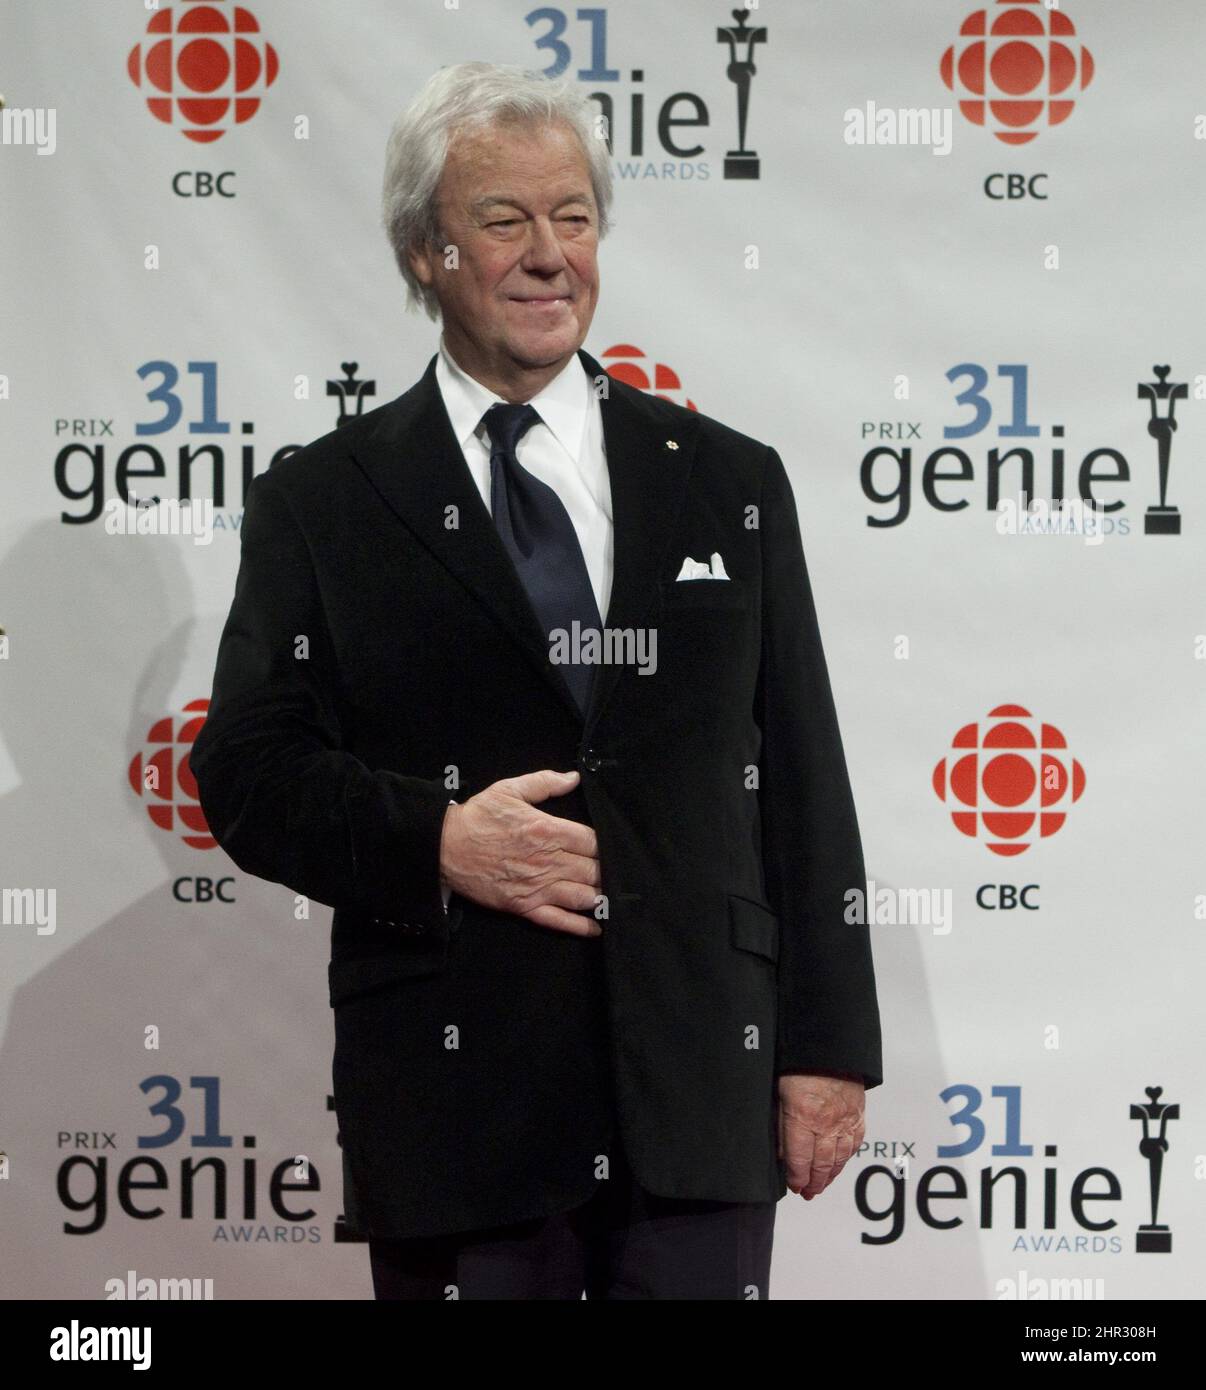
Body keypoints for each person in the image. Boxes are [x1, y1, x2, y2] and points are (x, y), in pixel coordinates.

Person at [190, 60, 882, 1301]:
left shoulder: (726, 479)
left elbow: (806, 784)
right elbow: (247, 772)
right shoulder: (325, 501)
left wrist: (829, 1051)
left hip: (693, 1095)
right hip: (460, 1106)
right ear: (424, 252)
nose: (550, 252)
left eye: (573, 216)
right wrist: (438, 840)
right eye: (504, 220)